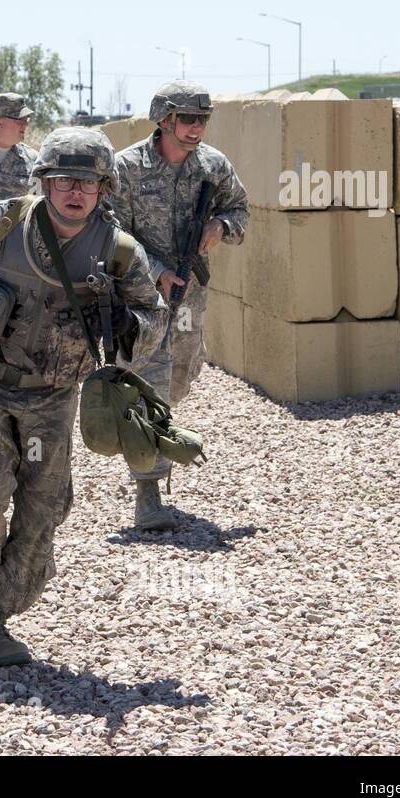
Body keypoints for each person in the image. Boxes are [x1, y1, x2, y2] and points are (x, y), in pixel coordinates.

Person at [0, 127, 168, 665]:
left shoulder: (118, 251)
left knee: (42, 515)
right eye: (63, 180)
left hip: (54, 398)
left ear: (104, 187)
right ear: (45, 182)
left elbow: (155, 319)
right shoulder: (5, 223)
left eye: (87, 181)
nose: (75, 191)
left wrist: (123, 321)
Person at [107, 80, 249, 530]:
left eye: (203, 120)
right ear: (164, 120)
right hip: (141, 297)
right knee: (149, 384)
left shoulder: (212, 165)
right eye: (188, 119)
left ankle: (149, 441)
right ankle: (147, 492)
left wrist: (222, 227)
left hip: (190, 298)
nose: (197, 128)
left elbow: (243, 209)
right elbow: (105, 231)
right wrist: (155, 268)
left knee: (180, 378)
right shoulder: (127, 167)